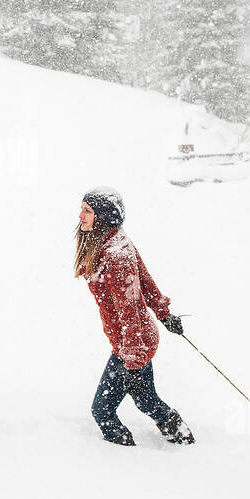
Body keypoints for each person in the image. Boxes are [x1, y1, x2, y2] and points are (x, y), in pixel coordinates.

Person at [74, 187, 194, 447]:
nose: (80, 215)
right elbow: (145, 282)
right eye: (82, 208)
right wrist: (164, 314)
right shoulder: (113, 241)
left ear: (103, 217)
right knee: (145, 399)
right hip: (134, 339)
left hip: (133, 342)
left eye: (87, 210)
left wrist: (132, 357)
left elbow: (129, 309)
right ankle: (183, 439)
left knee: (102, 411)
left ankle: (126, 461)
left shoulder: (116, 255)